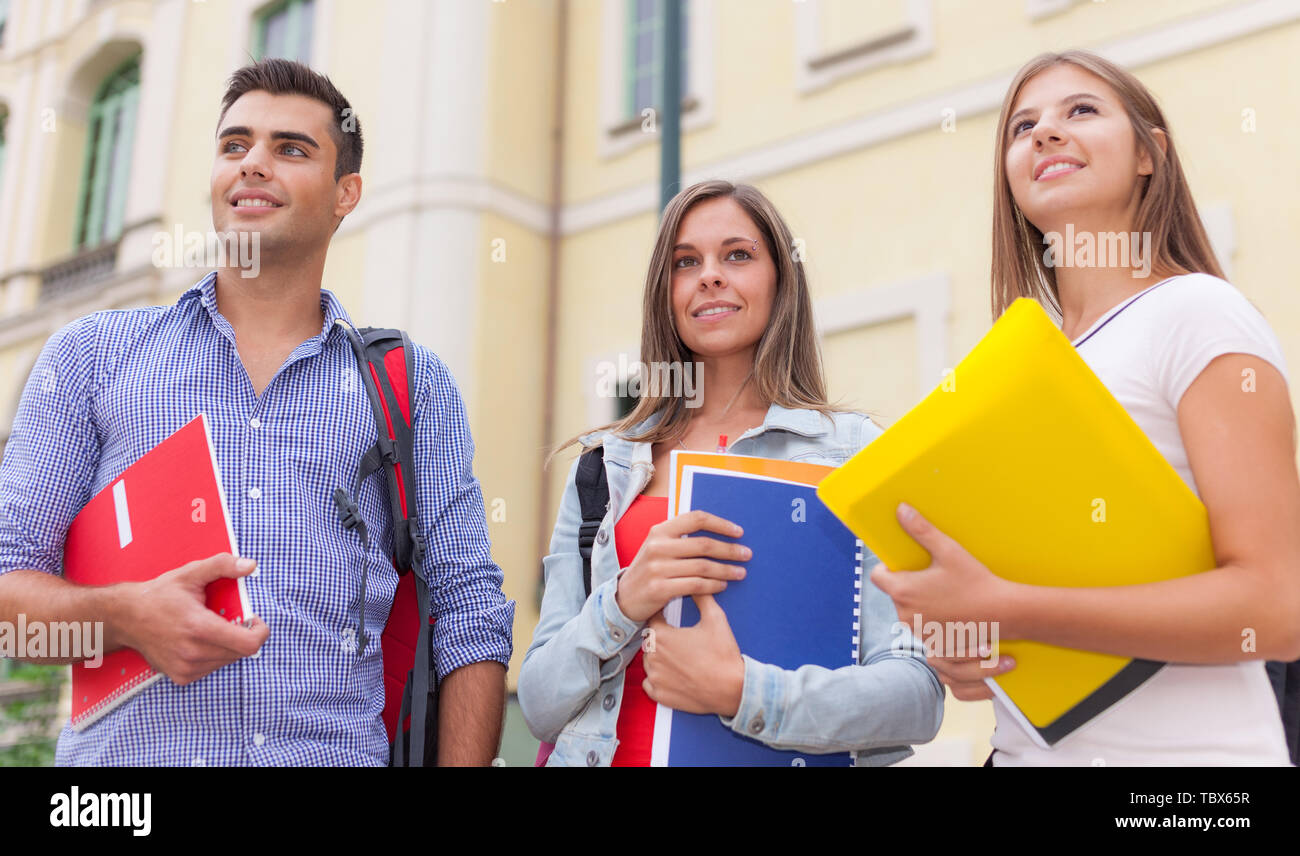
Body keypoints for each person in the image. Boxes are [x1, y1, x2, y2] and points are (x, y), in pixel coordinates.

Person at [0, 59, 514, 766]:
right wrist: (122, 617)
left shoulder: (411, 386)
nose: (253, 165)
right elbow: (8, 609)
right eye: (234, 145)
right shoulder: (91, 358)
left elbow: (469, 614)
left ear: (345, 194)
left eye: (290, 149)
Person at [869, 50, 1300, 765]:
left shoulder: (1198, 313)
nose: (1044, 134)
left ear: (1149, 155)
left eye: (1081, 111)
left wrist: (1007, 606)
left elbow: (1277, 608)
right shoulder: (1016, 372)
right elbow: (1042, 605)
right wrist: (969, 649)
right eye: (1022, 126)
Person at [517, 179, 943, 766]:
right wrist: (624, 600)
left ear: (779, 280)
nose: (709, 276)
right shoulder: (603, 468)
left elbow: (916, 697)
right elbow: (539, 704)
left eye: (737, 255)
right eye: (685, 262)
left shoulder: (857, 456)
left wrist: (745, 692)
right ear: (664, 293)